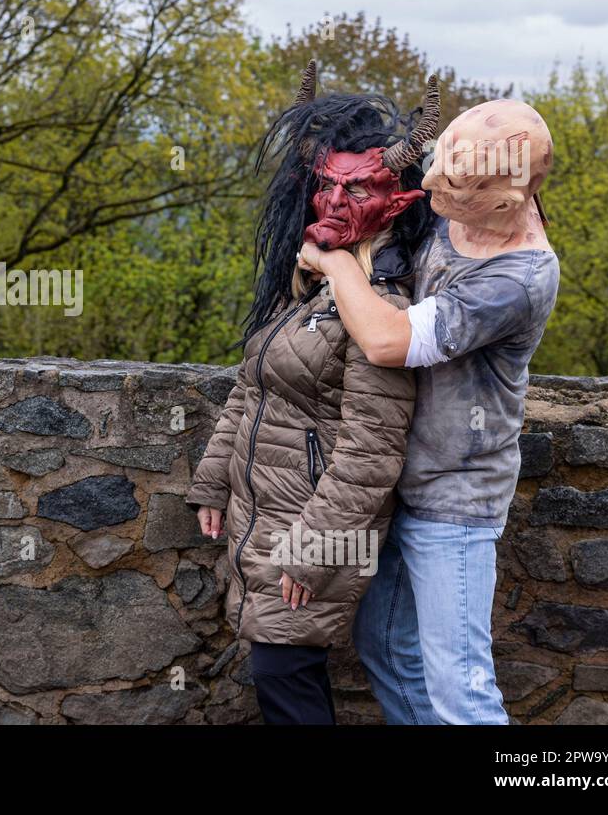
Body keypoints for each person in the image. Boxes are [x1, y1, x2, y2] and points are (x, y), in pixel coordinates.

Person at [186, 62, 438, 724]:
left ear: (398, 199)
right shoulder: (307, 289)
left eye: (355, 189)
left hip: (307, 526)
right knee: (282, 675)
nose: (333, 201)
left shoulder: (377, 308)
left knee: (283, 672)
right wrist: (213, 477)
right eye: (325, 184)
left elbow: (371, 450)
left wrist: (316, 548)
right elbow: (254, 386)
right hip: (264, 515)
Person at [300, 98, 560, 725]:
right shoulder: (456, 209)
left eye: (455, 186)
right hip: (397, 484)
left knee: (459, 685)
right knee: (386, 648)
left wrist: (335, 264)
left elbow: (388, 341)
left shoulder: (517, 278)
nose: (433, 191)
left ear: (507, 197)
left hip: (456, 498)